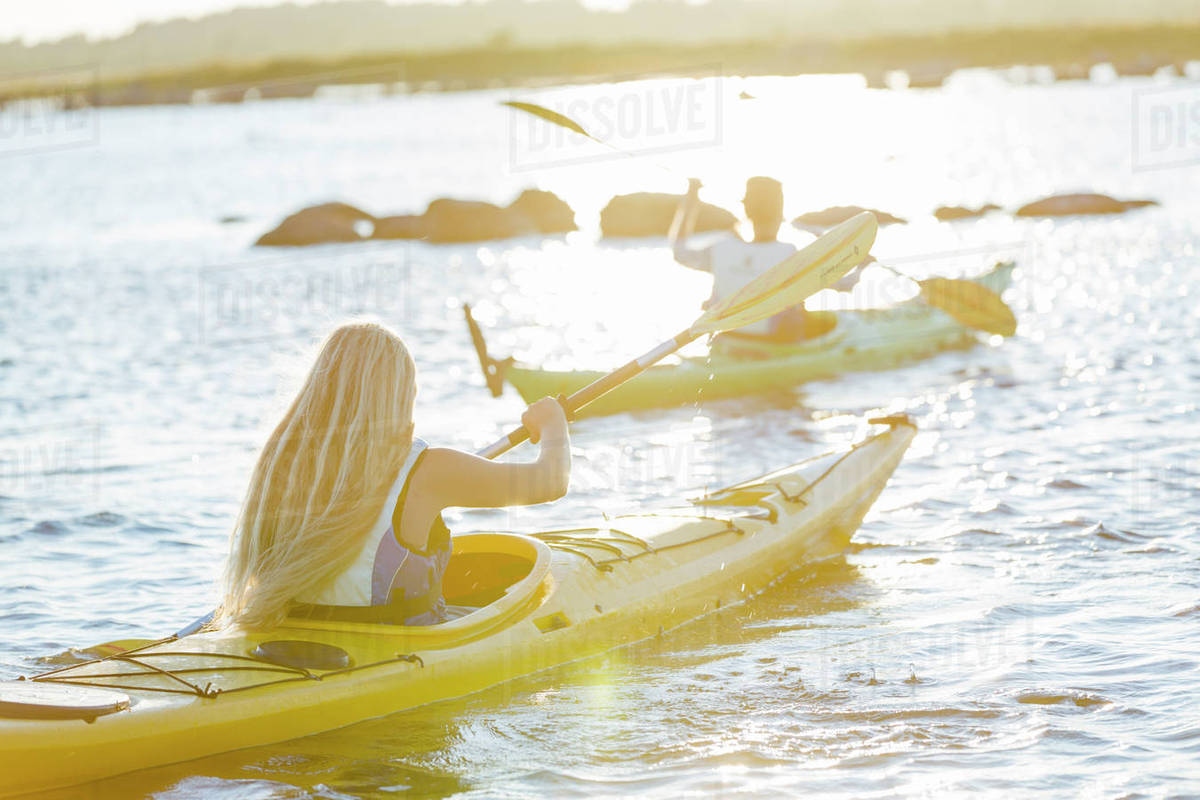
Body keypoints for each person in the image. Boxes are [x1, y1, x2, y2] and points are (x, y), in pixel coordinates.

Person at [214, 321, 570, 630]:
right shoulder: (431, 469)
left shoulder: (281, 459)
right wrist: (553, 422)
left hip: (296, 635)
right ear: (398, 395)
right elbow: (551, 481)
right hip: (394, 642)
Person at [669, 177, 862, 342]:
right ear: (780, 211)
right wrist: (861, 264)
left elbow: (679, 250)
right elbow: (844, 284)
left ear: (746, 209)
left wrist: (692, 196)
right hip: (777, 346)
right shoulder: (790, 256)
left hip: (727, 342)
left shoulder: (720, 249)